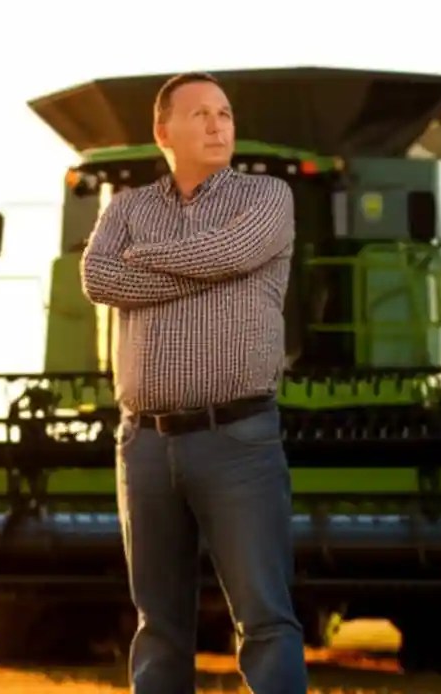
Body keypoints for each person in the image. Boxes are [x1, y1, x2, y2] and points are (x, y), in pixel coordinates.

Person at [80, 71, 308, 693]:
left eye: (225, 114)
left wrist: (145, 262)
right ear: (163, 132)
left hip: (238, 440)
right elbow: (98, 279)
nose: (218, 125)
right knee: (159, 627)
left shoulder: (266, 200)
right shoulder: (126, 207)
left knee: (264, 620)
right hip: (145, 447)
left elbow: (228, 253)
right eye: (201, 114)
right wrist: (203, 267)